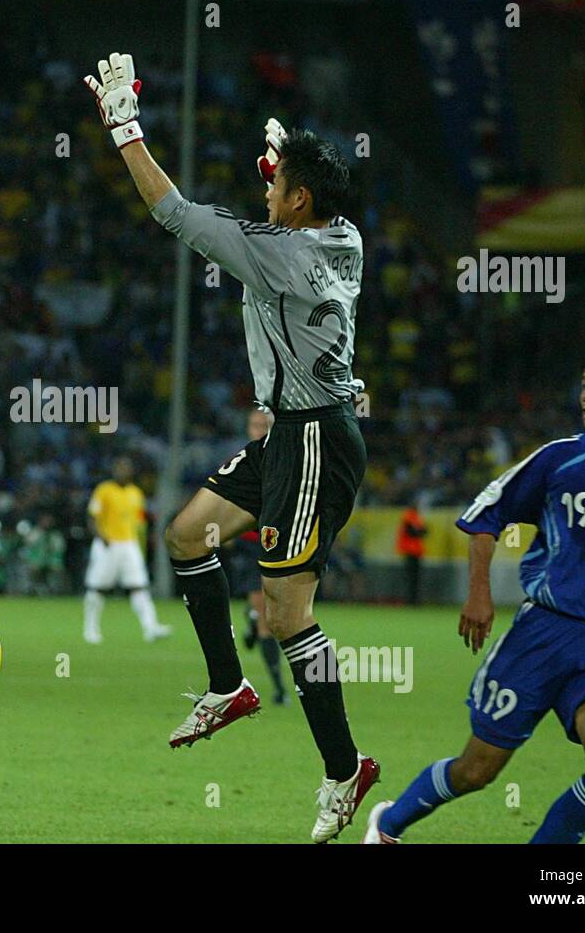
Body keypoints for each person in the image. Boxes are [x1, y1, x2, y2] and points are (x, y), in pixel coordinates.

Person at [86, 53, 377, 842]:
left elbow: (174, 212)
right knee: (187, 534)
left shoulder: (279, 251)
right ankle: (229, 686)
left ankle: (346, 768)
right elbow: (294, 207)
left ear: (298, 201)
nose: (266, 194)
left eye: (276, 188)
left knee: (287, 614)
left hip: (315, 438)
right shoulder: (343, 236)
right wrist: (283, 160)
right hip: (294, 429)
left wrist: (125, 129)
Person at [364, 356, 585, 844]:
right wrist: (479, 595)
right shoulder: (558, 460)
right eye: (584, 384)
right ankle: (388, 823)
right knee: (476, 770)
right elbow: (486, 515)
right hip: (542, 634)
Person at [82, 456, 172, 643]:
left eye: (126, 468)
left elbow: (139, 522)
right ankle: (90, 629)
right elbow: (92, 517)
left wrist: (142, 542)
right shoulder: (104, 490)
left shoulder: (136, 493)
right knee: (97, 588)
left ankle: (151, 628)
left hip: (129, 544)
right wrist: (101, 536)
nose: (122, 471)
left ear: (131, 471)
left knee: (139, 586)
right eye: (119, 467)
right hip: (108, 543)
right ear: (114, 470)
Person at [235, 409, 287, 705]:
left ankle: (253, 620)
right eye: (254, 425)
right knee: (269, 618)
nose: (259, 430)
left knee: (280, 616)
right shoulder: (240, 463)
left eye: (264, 425)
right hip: (251, 548)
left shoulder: (282, 462)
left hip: (277, 545)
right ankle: (279, 688)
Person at [395, 501, 427, 605]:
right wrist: (419, 531)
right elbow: (416, 532)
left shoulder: (413, 517)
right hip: (410, 550)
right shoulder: (409, 517)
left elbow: (422, 531)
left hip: (414, 551)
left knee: (413, 577)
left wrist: (419, 531)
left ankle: (412, 599)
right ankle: (411, 599)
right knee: (412, 577)